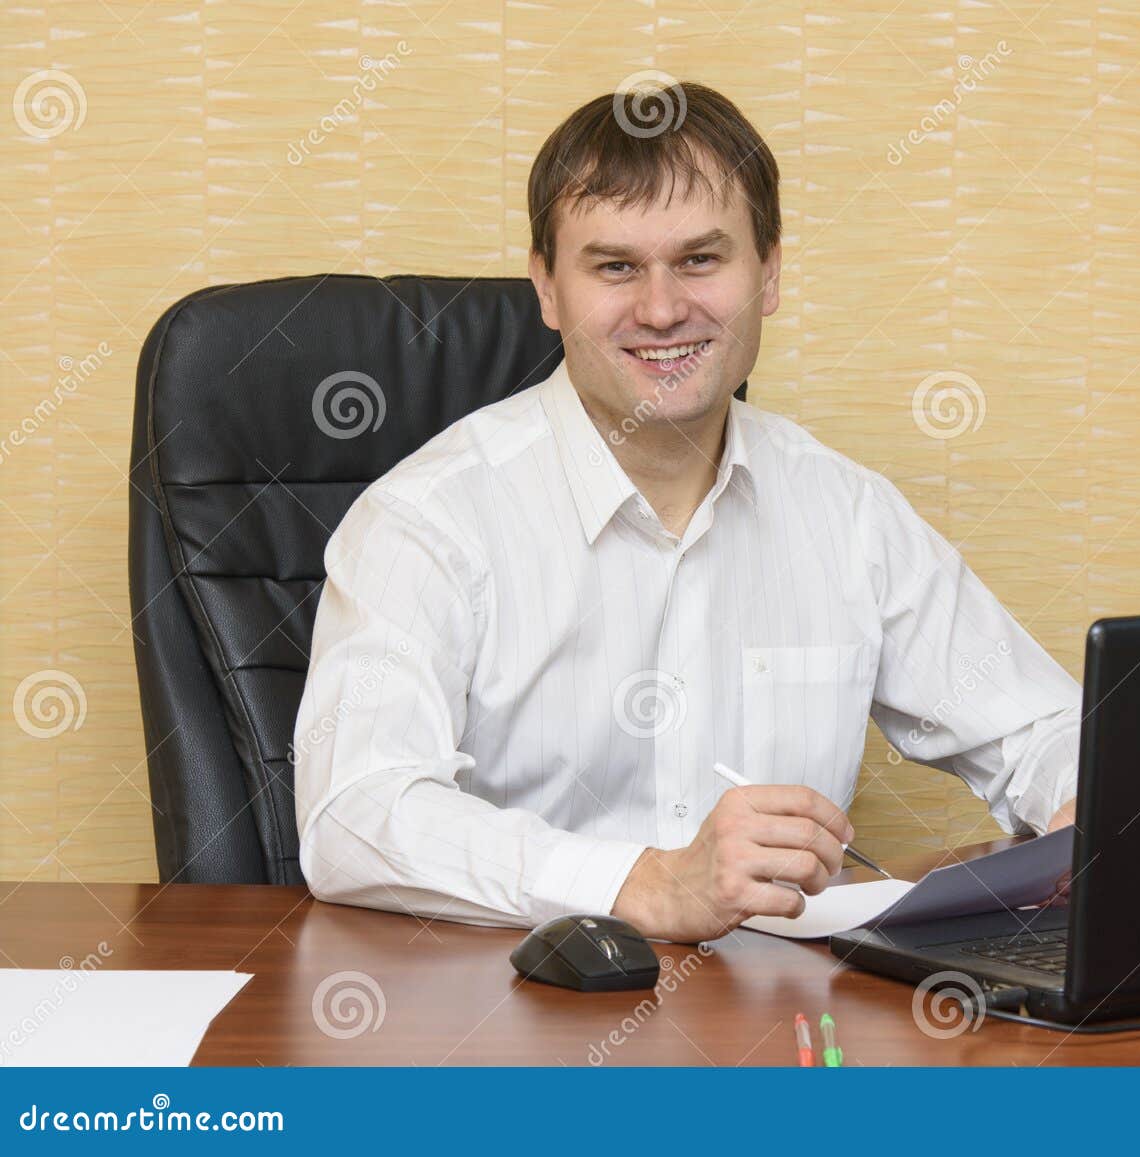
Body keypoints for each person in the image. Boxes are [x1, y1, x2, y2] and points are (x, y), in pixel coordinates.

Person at [292, 80, 1082, 943]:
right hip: (506, 1023)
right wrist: (645, 882)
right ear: (548, 289)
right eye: (615, 267)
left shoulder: (847, 514)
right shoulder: (427, 521)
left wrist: (1083, 806)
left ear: (770, 271)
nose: (663, 309)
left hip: (773, 1034)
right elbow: (353, 813)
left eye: (701, 260)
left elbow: (1044, 727)